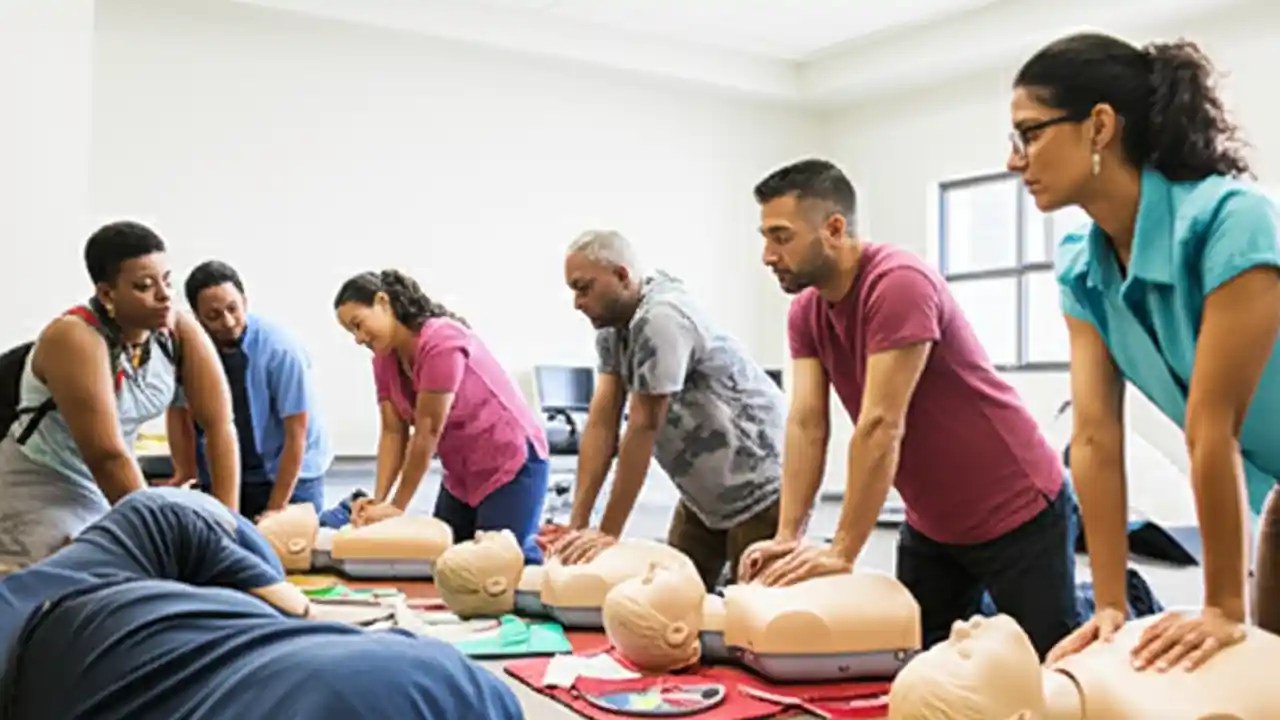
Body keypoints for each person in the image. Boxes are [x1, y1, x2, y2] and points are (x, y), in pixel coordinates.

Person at [1009, 31, 1280, 671]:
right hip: (1273, 492)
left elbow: (1211, 429)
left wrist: (1218, 606)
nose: (1014, 160)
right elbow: (1097, 438)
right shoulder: (1083, 266)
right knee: (1265, 673)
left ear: (1099, 126)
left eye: (1030, 133)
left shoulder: (1231, 221)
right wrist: (1109, 606)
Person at [740, 159, 1077, 659]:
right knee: (921, 665)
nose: (768, 255)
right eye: (765, 237)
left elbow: (880, 424)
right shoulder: (806, 312)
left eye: (781, 236)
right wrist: (789, 535)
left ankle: (1125, 602)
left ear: (834, 228)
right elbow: (808, 423)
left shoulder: (898, 283)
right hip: (932, 524)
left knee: (1048, 666)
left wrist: (842, 552)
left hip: (1019, 511)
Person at [0, 489, 523, 719]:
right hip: (420, 678)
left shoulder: (126, 552)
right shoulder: (112, 561)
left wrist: (290, 603)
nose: (287, 509)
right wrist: (292, 605)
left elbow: (167, 514)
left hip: (391, 677)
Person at [552, 230, 786, 591]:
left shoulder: (661, 317)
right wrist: (578, 527)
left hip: (761, 487)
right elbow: (602, 423)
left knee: (747, 611)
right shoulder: (612, 329)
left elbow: (643, 425)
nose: (577, 302)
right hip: (705, 495)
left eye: (583, 288)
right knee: (668, 598)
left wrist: (608, 535)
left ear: (622, 275)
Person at [0, 221, 240, 569]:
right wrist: (159, 540)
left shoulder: (178, 331)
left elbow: (220, 426)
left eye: (167, 280)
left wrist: (228, 530)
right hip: (41, 483)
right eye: (144, 286)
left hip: (106, 484)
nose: (164, 295)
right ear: (107, 295)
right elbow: (107, 456)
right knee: (55, 588)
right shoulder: (75, 338)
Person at [333, 270, 549, 564]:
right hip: (461, 474)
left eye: (358, 324)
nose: (358, 338)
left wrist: (397, 506)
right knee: (447, 566)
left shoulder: (441, 339)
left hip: (510, 462)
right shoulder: (384, 359)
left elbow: (427, 431)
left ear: (383, 302)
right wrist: (379, 500)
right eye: (351, 332)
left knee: (499, 566)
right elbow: (393, 432)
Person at [168, 260, 334, 520]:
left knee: (287, 548)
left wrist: (277, 508)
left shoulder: (281, 350)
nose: (227, 321)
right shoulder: (188, 348)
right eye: (213, 315)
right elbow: (178, 410)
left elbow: (297, 433)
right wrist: (184, 473)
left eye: (233, 308)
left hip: (291, 472)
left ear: (244, 301)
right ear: (196, 315)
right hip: (227, 468)